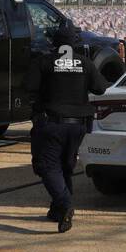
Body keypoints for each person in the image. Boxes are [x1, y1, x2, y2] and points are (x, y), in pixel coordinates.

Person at [25, 22, 109, 233]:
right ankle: (57, 210)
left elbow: (28, 87)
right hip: (78, 127)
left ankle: (65, 204)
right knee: (64, 167)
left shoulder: (44, 61)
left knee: (46, 166)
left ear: (54, 42)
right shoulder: (85, 63)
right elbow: (100, 89)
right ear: (75, 42)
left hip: (52, 125)